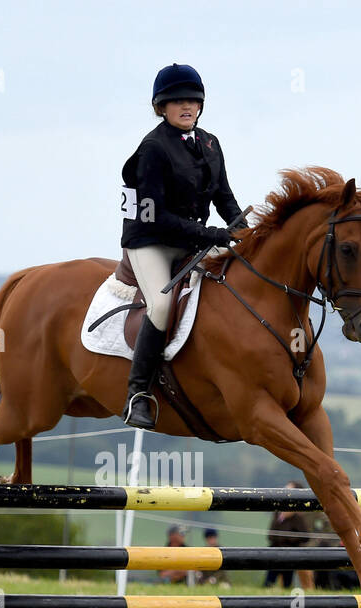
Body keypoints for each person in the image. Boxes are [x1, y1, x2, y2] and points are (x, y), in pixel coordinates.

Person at [119, 63, 246, 429]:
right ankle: (138, 393)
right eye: (177, 101)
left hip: (193, 239)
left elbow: (224, 196)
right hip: (151, 242)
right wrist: (214, 236)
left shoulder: (209, 142)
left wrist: (245, 231)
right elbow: (154, 217)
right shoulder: (153, 149)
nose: (186, 106)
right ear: (162, 107)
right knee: (161, 304)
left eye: (192, 100)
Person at [264, 482, 312, 589]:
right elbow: (271, 535)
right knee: (269, 580)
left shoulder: (299, 516)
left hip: (291, 552)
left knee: (287, 580)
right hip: (275, 551)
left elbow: (305, 536)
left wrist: (289, 539)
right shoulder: (278, 512)